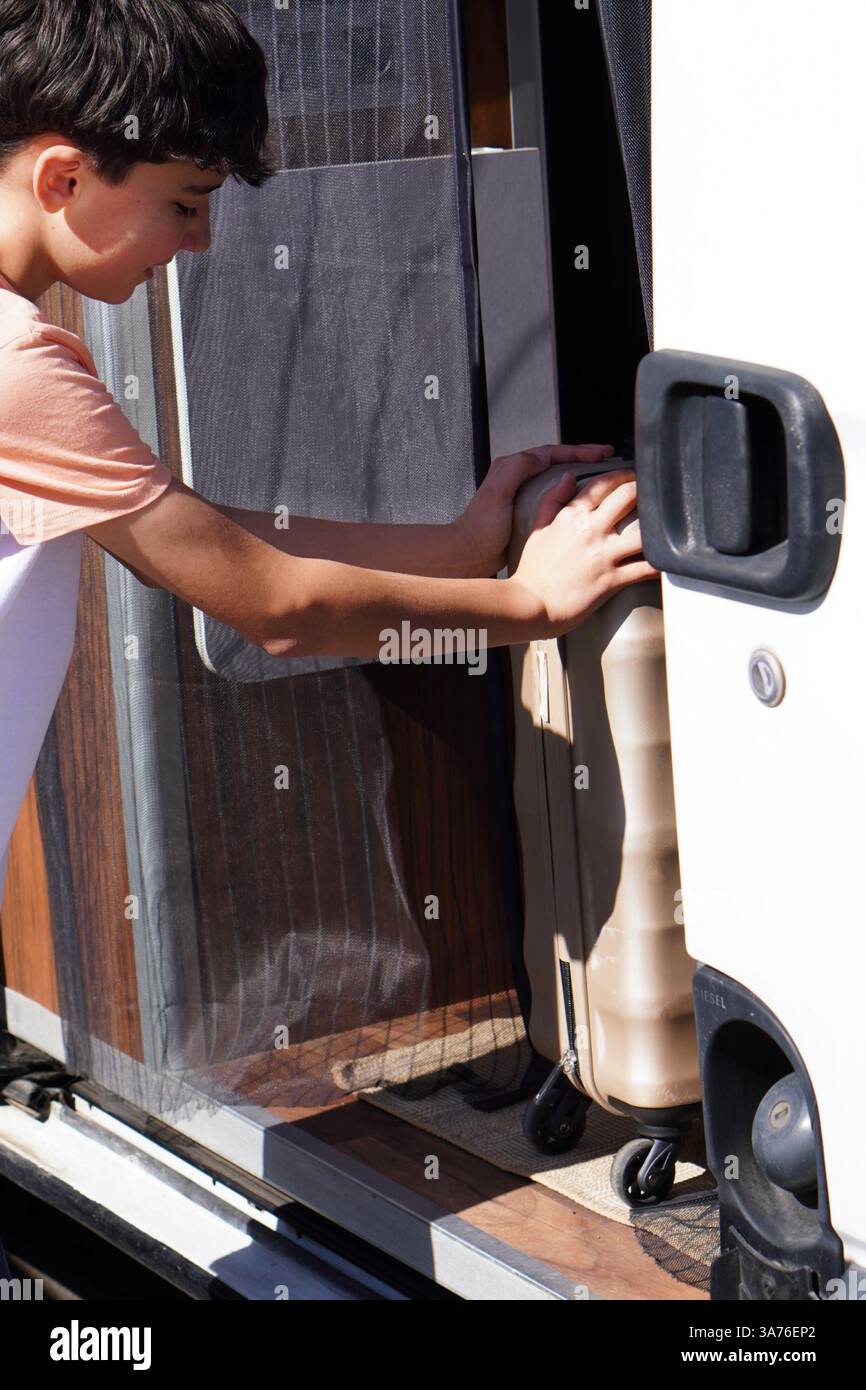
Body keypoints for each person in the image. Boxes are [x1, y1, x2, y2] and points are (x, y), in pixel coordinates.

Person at [0, 0, 658, 1283]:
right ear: (66, 177)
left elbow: (224, 538)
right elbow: (271, 602)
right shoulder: (19, 365)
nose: (200, 243)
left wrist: (467, 540)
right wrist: (527, 602)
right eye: (186, 202)